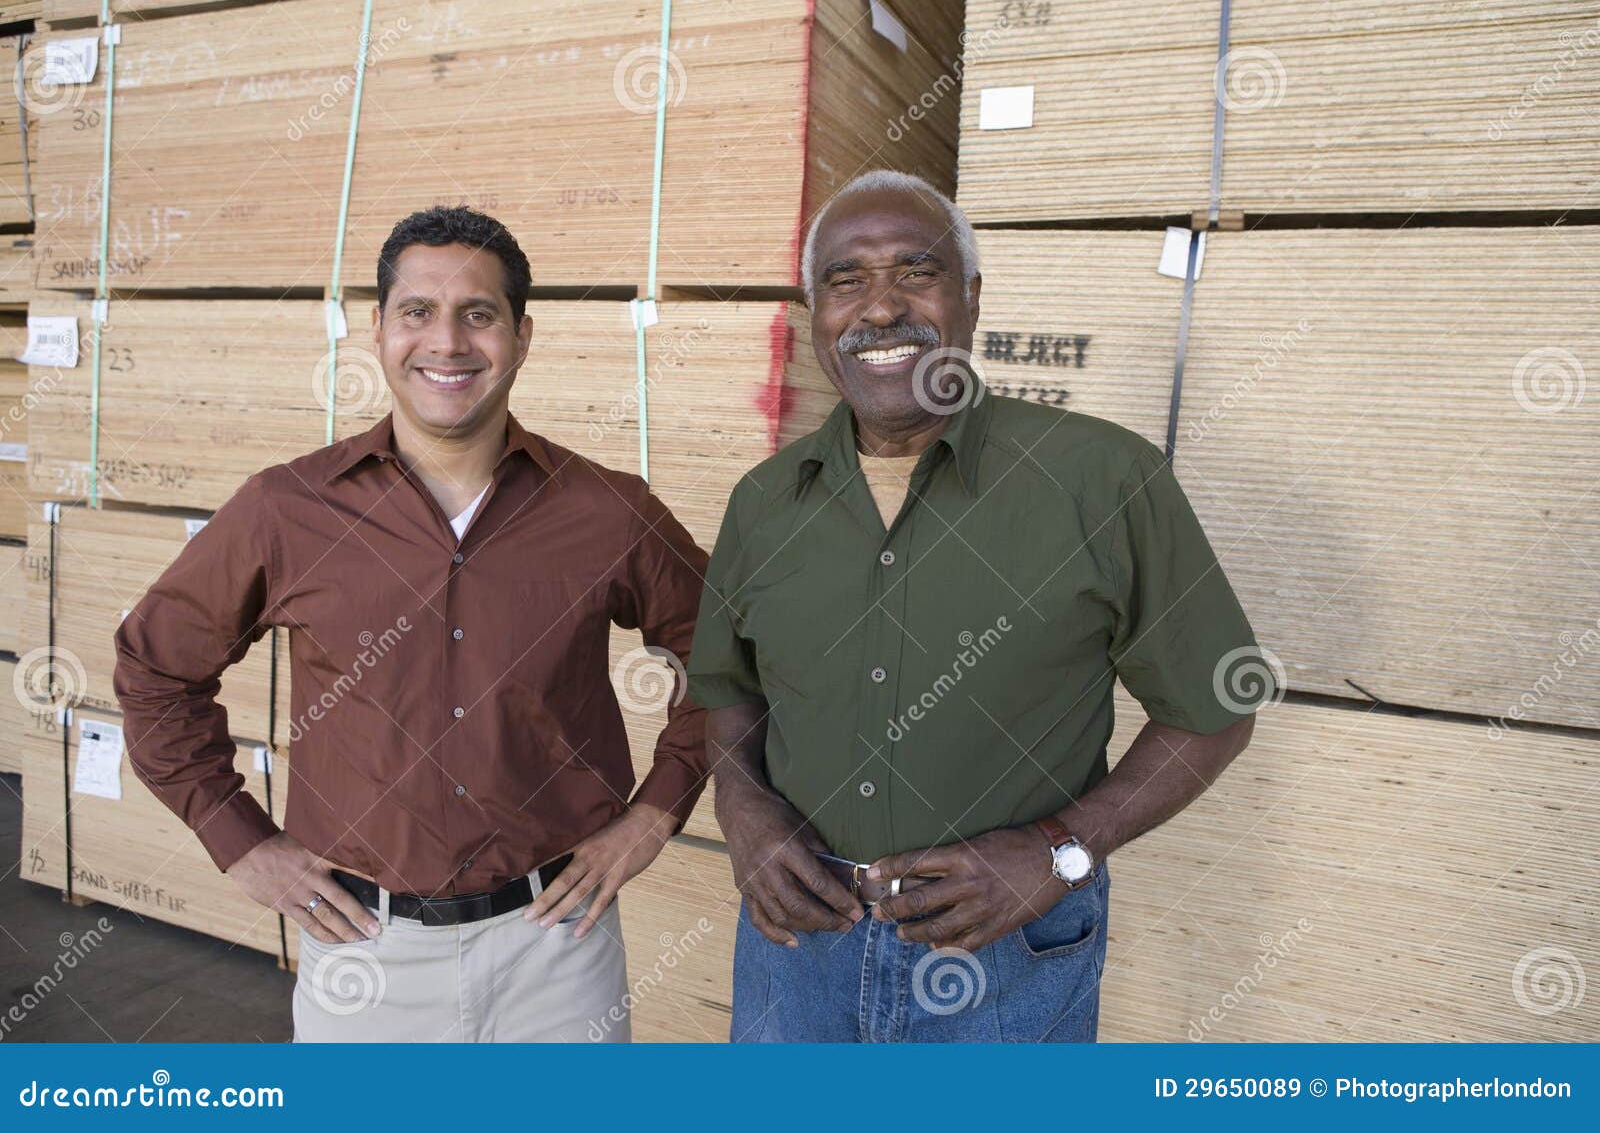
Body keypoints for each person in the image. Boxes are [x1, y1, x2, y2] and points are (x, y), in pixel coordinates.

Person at [686, 170, 1270, 1042]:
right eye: (845, 280)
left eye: (915, 271)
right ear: (816, 316)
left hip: (1011, 948)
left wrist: (1060, 851)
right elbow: (725, 686)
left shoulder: (1102, 480)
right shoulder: (765, 502)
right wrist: (739, 806)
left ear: (972, 298)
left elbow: (1216, 709)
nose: (879, 309)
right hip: (797, 942)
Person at [114, 206, 710, 1042]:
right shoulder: (287, 510)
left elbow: (727, 656)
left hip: (559, 952)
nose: (448, 343)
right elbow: (155, 671)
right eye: (418, 312)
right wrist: (239, 840)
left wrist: (656, 814)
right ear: (379, 331)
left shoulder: (609, 512)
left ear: (522, 335)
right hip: (363, 952)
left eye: (479, 314)